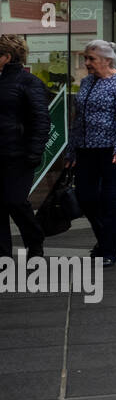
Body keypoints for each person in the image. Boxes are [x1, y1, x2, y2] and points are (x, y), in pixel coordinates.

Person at [68, 40, 116, 268]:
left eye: (91, 59)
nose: (87, 63)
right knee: (86, 197)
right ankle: (104, 239)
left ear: (107, 60)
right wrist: (71, 151)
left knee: (111, 199)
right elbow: (77, 120)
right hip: (86, 150)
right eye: (86, 58)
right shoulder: (87, 82)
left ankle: (109, 250)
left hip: (112, 151)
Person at [0, 35, 51, 261]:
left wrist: (34, 152)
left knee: (15, 201)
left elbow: (41, 120)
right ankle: (3, 256)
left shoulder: (29, 83)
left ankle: (35, 239)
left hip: (19, 155)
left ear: (6, 57)